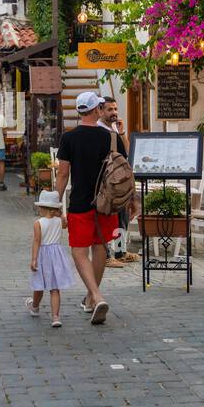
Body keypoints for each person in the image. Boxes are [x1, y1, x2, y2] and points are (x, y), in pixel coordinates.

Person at [55, 92, 126, 325]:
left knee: (78, 250)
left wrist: (56, 202)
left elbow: (63, 173)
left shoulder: (69, 138)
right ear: (97, 110)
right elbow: (125, 166)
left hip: (80, 202)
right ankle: (90, 298)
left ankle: (95, 295)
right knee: (101, 248)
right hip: (107, 203)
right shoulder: (111, 138)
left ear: (79, 111)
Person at [97, 98, 139, 267]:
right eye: (109, 109)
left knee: (123, 217)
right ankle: (106, 255)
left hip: (119, 182)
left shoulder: (114, 128)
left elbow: (128, 153)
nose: (114, 112)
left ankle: (120, 252)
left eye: (115, 108)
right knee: (106, 217)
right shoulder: (99, 131)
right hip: (106, 183)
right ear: (101, 111)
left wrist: (122, 132)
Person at [26, 189, 75, 328]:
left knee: (39, 285)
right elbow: (66, 224)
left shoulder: (38, 223)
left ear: (42, 207)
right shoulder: (59, 221)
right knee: (54, 288)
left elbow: (36, 241)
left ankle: (34, 307)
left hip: (43, 256)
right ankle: (55, 317)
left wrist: (34, 259)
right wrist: (62, 214)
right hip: (57, 254)